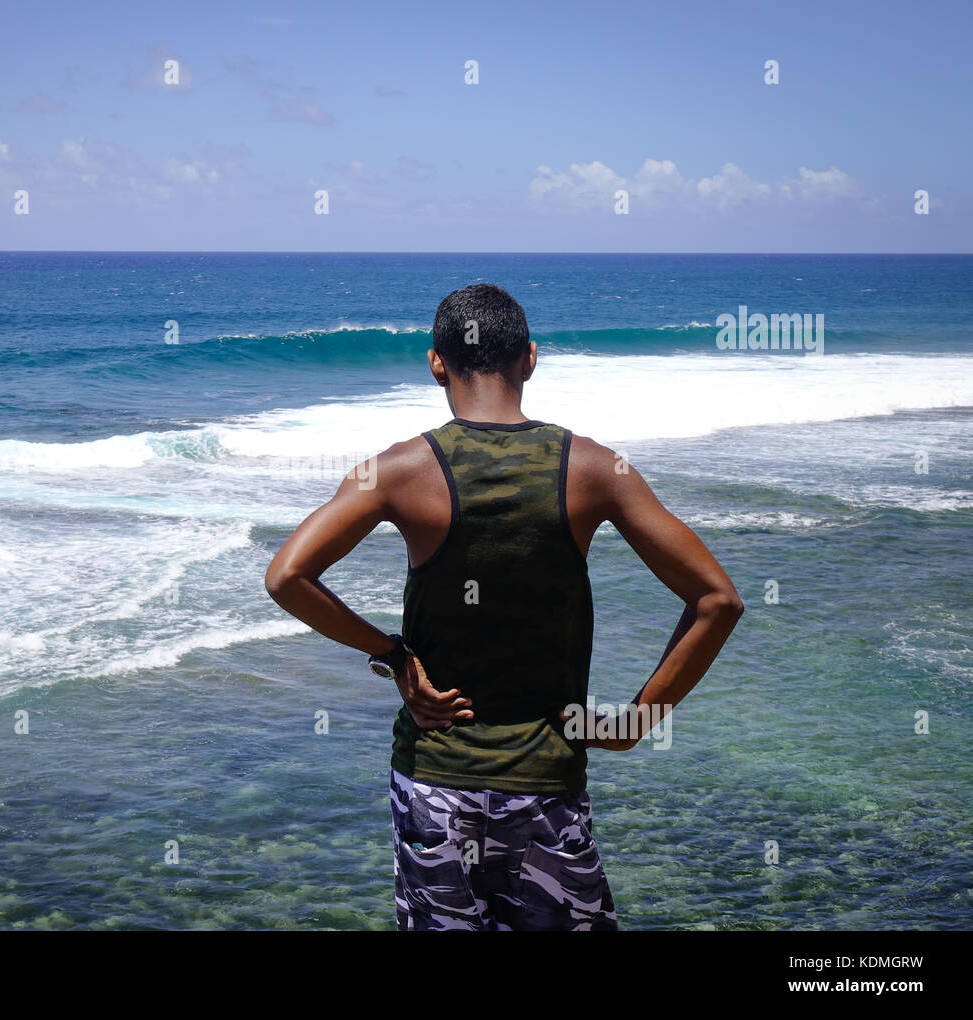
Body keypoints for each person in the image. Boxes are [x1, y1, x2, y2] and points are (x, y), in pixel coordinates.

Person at [264, 283, 744, 930]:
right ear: (531, 359)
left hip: (434, 779)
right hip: (546, 784)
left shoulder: (394, 472)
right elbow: (718, 600)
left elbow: (288, 576)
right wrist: (636, 722)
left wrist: (393, 655)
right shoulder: (595, 469)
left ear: (437, 362)